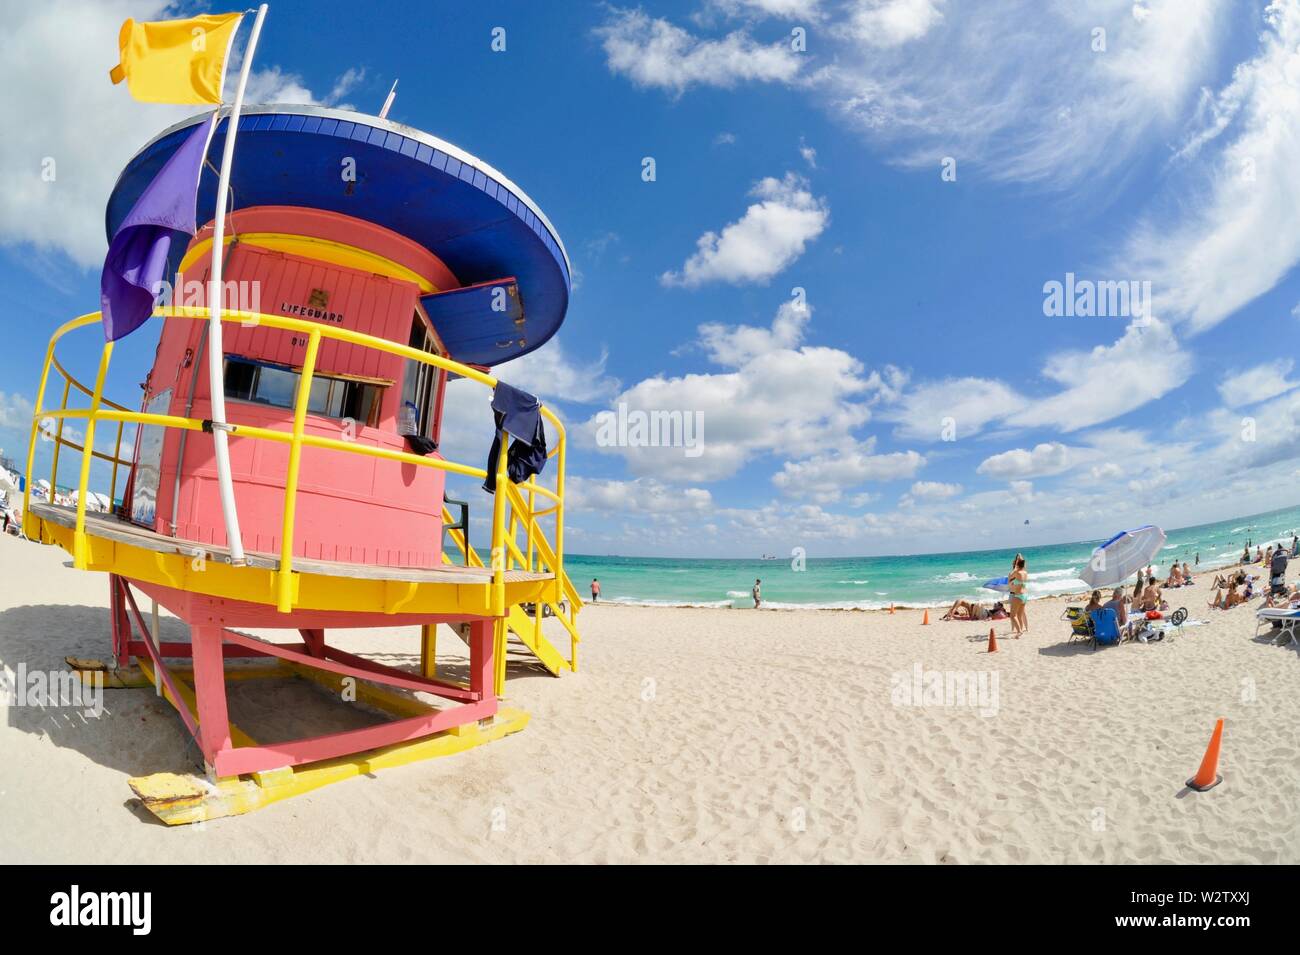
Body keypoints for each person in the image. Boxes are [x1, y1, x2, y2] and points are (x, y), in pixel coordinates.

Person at [1008, 556, 1028, 637]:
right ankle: (1021, 631)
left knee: (1012, 616)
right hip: (1025, 595)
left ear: (1017, 564)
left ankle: (1019, 631)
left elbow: (1009, 577)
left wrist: (1015, 567)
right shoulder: (1025, 572)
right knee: (1019, 615)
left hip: (1018, 595)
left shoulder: (1017, 573)